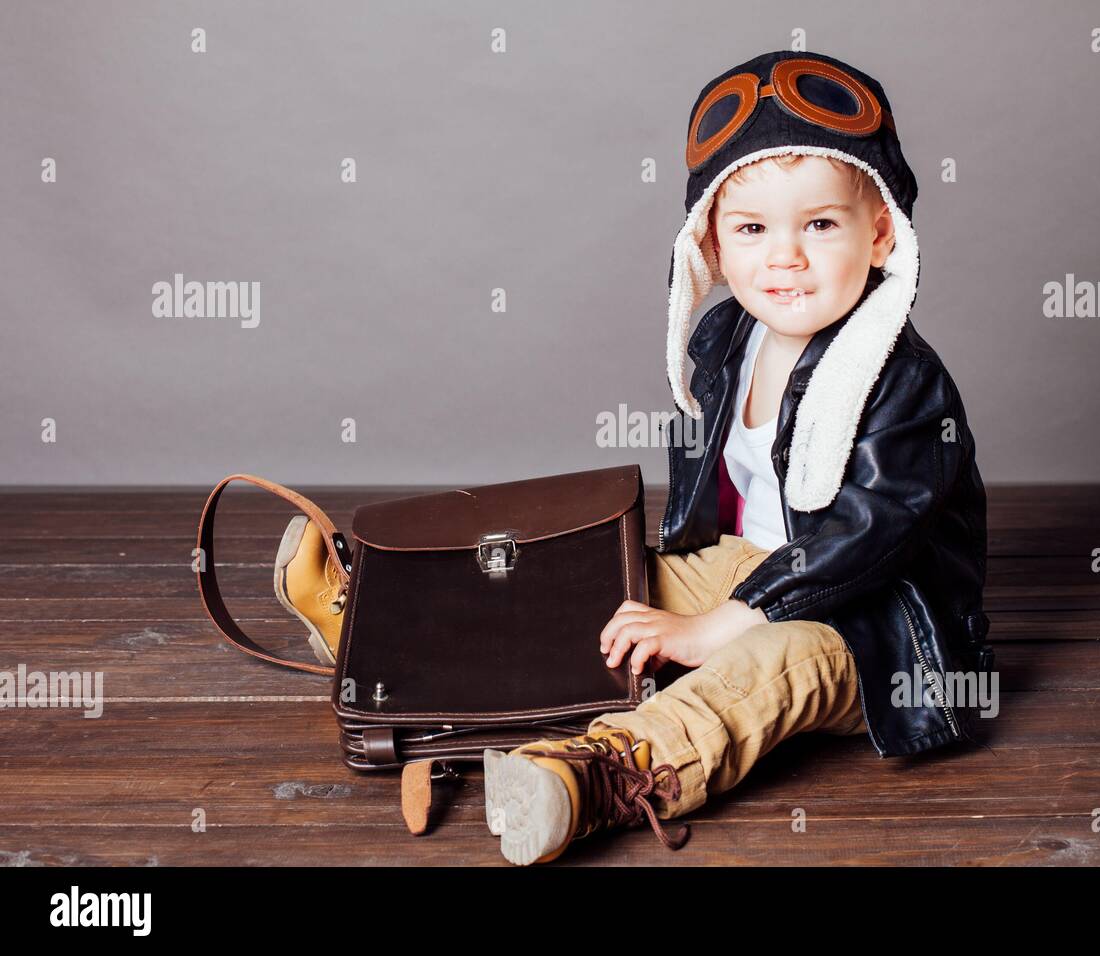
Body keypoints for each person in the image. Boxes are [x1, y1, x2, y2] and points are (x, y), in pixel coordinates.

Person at [275, 49, 993, 868]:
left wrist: (715, 629)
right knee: (610, 595)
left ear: (880, 235)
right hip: (747, 567)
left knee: (767, 663)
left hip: (878, 622)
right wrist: (675, 601)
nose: (784, 257)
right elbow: (710, 510)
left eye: (819, 225)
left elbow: (864, 540)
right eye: (753, 229)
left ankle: (601, 776)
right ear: (712, 249)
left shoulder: (902, 381)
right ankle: (391, 641)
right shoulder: (727, 339)